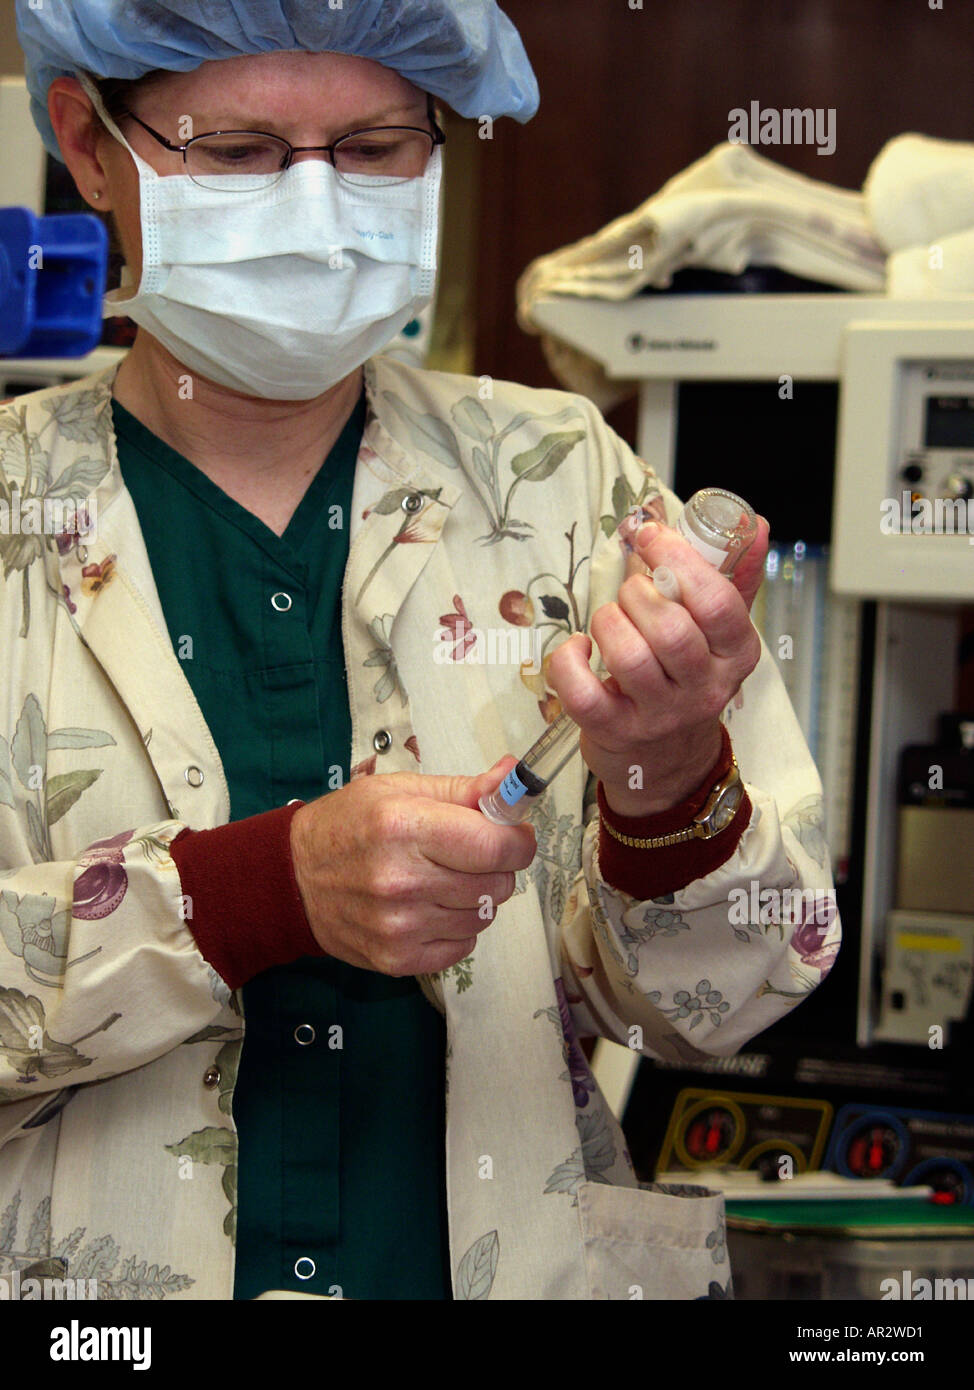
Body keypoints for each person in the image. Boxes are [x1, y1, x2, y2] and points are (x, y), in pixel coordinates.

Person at [1, 0, 839, 1301]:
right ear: (91, 145)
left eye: (377, 147)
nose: (317, 208)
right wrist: (251, 892)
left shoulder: (563, 485)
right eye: (237, 153)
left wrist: (668, 783)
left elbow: (725, 1003)